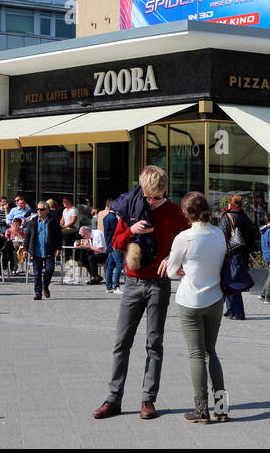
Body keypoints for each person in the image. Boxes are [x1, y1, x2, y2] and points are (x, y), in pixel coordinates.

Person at [93, 165, 189, 421]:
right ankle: (113, 399)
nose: (154, 202)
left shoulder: (174, 212)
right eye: (149, 197)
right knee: (121, 342)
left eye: (158, 196)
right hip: (133, 283)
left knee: (154, 343)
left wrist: (172, 256)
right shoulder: (133, 209)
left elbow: (187, 242)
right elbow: (114, 243)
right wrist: (130, 231)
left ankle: (148, 400)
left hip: (159, 284)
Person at [167, 191, 230, 423]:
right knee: (211, 352)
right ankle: (222, 408)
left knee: (196, 354)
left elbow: (172, 270)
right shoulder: (219, 234)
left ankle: (201, 409)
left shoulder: (184, 237)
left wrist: (181, 269)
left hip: (190, 300)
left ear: (186, 213)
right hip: (215, 298)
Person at [219, 194, 254, 320]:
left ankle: (238, 312)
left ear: (230, 204)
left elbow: (221, 236)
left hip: (230, 254)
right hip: (243, 254)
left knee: (232, 282)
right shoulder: (246, 218)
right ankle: (230, 308)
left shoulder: (227, 216)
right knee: (232, 280)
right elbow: (252, 238)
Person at [24, 201, 61, 299]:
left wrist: (58, 248)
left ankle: (45, 285)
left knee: (50, 269)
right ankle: (38, 293)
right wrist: (25, 249)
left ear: (47, 210)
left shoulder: (53, 221)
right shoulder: (33, 221)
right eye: (38, 209)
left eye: (42, 209)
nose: (39, 211)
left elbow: (58, 236)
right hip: (36, 251)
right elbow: (27, 236)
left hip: (49, 250)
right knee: (37, 273)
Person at [98, 201, 125, 295]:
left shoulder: (106, 217)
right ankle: (116, 286)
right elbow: (117, 232)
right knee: (120, 265)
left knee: (110, 266)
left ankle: (108, 287)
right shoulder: (113, 218)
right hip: (115, 245)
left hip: (110, 245)